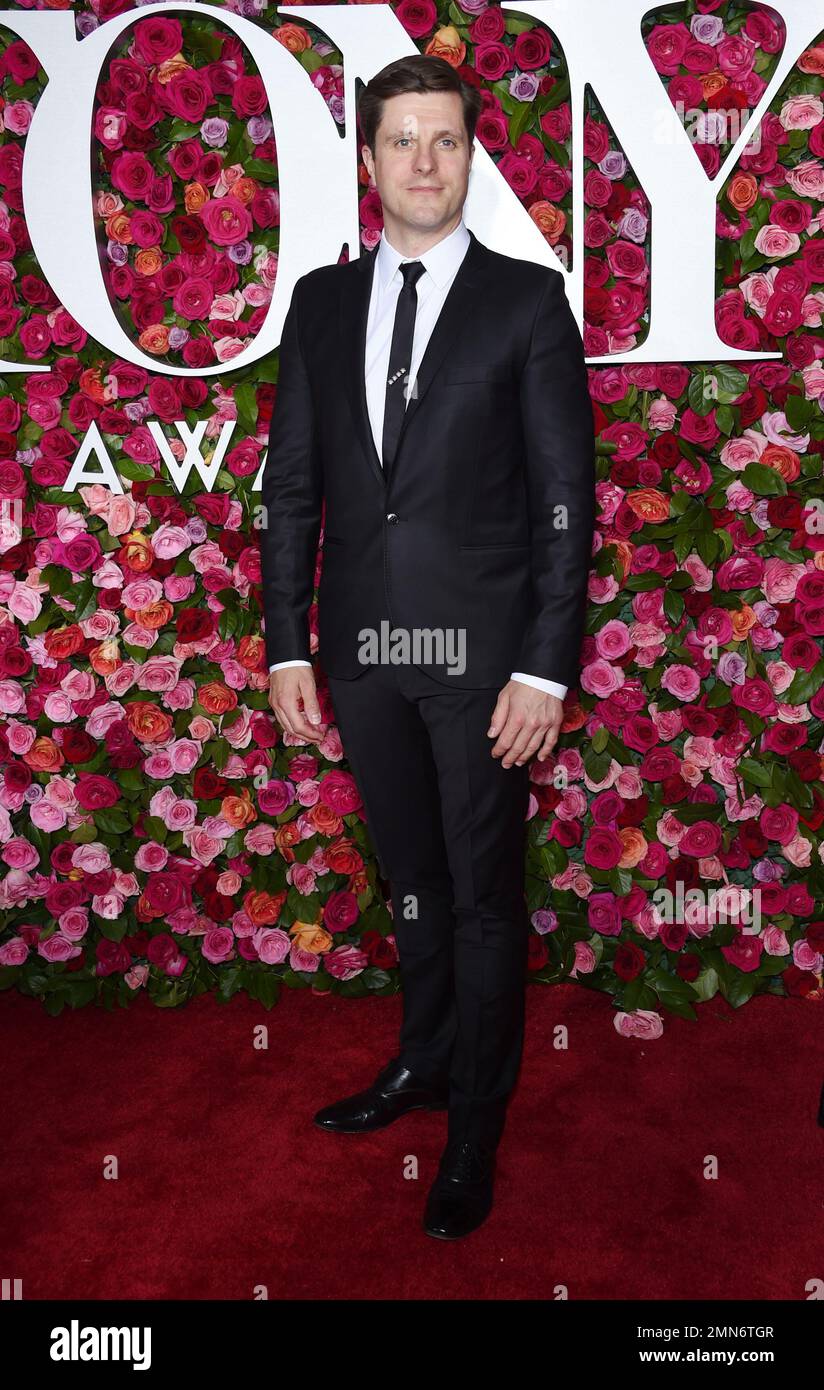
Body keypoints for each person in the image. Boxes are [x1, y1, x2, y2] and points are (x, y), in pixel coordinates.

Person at [260, 53, 595, 1240]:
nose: (420, 161)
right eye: (400, 139)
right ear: (367, 158)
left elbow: (567, 498)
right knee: (409, 881)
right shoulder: (317, 302)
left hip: (482, 661)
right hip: (360, 651)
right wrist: (286, 646)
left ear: (468, 156)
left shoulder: (525, 301)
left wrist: (543, 666)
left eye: (443, 140)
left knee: (482, 897)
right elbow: (292, 487)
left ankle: (474, 1127)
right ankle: (422, 1059)